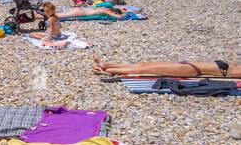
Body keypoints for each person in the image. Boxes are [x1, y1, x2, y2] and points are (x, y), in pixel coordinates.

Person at [92, 57, 238, 78]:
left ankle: (107, 70)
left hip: (193, 69)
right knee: (143, 65)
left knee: (142, 70)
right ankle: (108, 65)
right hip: (189, 64)